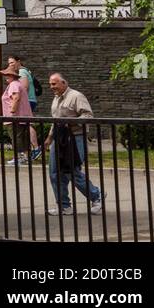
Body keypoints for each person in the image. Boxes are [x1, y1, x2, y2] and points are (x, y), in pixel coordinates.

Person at [44, 73, 103, 215]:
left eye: (54, 84)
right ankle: (64, 206)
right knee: (54, 173)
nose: (51, 87)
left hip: (75, 138)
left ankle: (96, 196)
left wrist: (71, 121)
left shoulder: (76, 96)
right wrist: (49, 138)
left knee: (72, 172)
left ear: (64, 83)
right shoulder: (56, 98)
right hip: (59, 138)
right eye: (50, 84)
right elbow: (56, 120)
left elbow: (88, 116)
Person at [7, 55, 42, 158]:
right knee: (26, 124)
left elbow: (24, 87)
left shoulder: (22, 72)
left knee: (26, 125)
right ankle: (31, 150)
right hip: (29, 100)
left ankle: (35, 148)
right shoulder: (25, 71)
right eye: (9, 63)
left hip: (27, 101)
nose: (10, 65)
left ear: (19, 61)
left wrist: (19, 104)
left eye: (12, 62)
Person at [0, 64, 33, 161]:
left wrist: (12, 111)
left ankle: (19, 157)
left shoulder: (13, 85)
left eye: (7, 75)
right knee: (23, 137)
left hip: (15, 116)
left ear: (12, 76)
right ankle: (26, 156)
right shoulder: (18, 84)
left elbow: (15, 98)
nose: (6, 77)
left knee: (16, 136)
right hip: (23, 116)